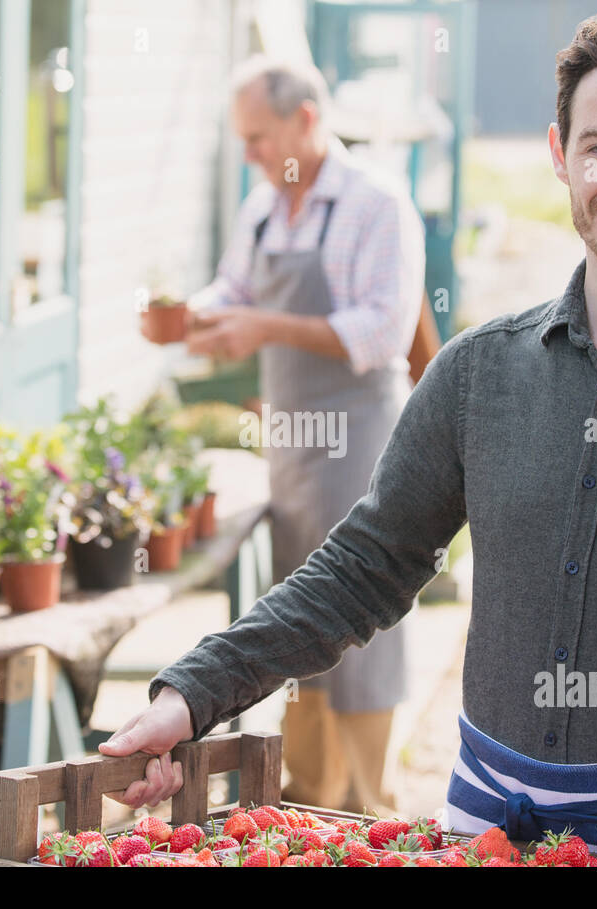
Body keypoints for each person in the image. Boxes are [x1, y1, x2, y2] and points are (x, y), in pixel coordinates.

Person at [107, 4, 597, 866]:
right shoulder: (476, 373)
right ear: (560, 154)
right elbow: (363, 568)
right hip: (481, 833)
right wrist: (195, 691)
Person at [138, 56, 427, 816]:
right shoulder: (263, 208)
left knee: (365, 612)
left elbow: (382, 330)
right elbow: (231, 291)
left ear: (305, 121)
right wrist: (186, 319)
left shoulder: (375, 203)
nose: (251, 155)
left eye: (259, 137)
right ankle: (307, 798)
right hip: (294, 445)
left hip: (362, 439)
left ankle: (369, 804)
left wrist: (264, 325)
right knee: (296, 608)